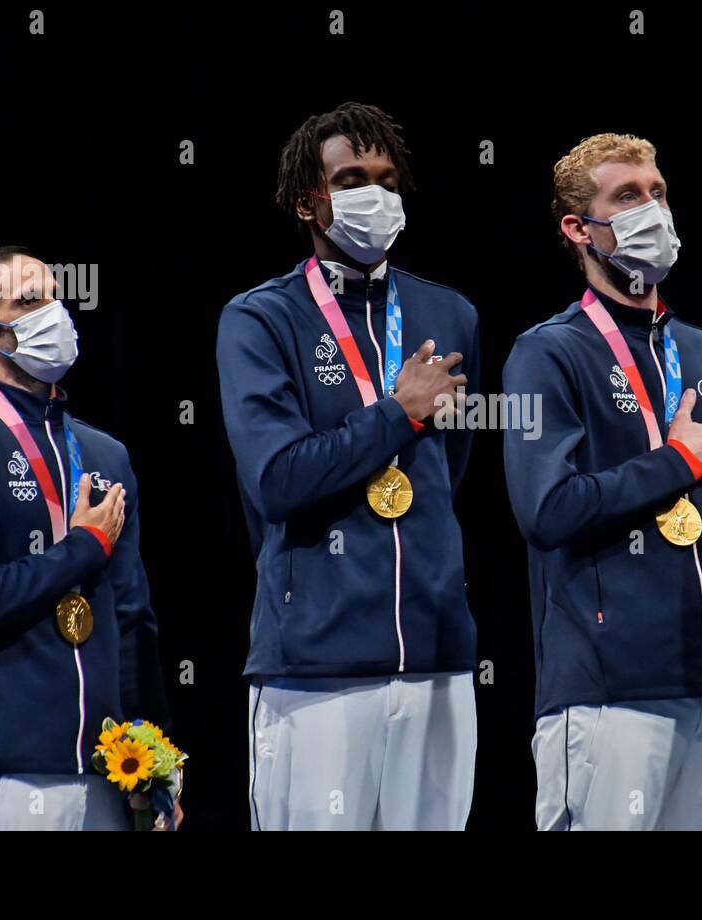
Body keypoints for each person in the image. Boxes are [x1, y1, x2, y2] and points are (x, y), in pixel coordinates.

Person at [502, 133, 702, 830]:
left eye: (658, 193)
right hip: (609, 696)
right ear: (578, 228)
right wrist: (676, 464)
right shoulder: (546, 354)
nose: (651, 210)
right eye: (627, 197)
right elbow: (548, 510)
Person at [218, 102, 479, 830]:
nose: (376, 196)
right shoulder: (260, 319)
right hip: (315, 665)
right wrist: (397, 413)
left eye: (387, 180)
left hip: (437, 657)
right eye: (352, 178)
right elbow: (278, 480)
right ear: (308, 200)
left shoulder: (450, 313)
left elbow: (447, 474)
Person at [0, 245, 176, 830]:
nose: (53, 314)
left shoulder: (107, 455)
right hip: (3, 773)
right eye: (30, 301)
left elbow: (131, 616)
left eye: (56, 297)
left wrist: (157, 764)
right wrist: (83, 546)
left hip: (108, 775)